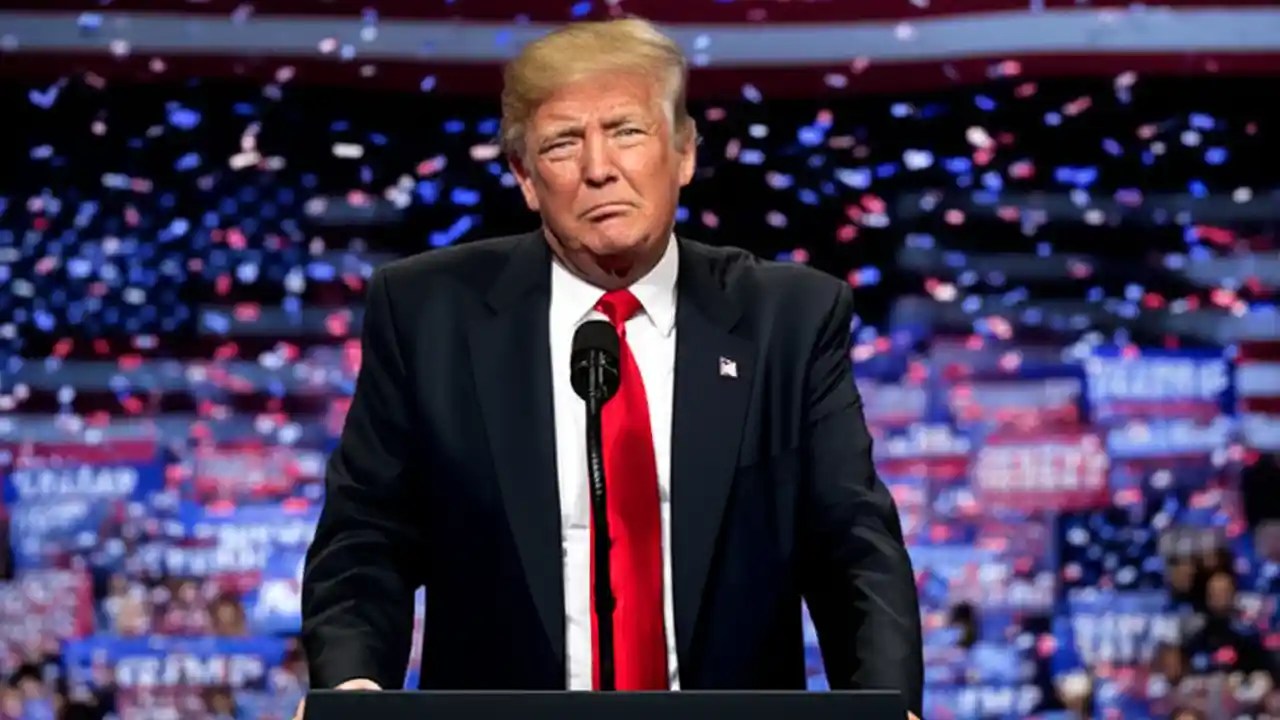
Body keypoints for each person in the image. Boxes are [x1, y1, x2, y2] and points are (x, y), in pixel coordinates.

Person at [297, 16, 923, 720]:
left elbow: (852, 546)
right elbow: (366, 537)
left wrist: (886, 705)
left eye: (626, 130)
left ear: (683, 153)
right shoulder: (428, 314)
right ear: (527, 179)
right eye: (564, 143)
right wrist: (352, 690)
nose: (599, 167)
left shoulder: (790, 319)